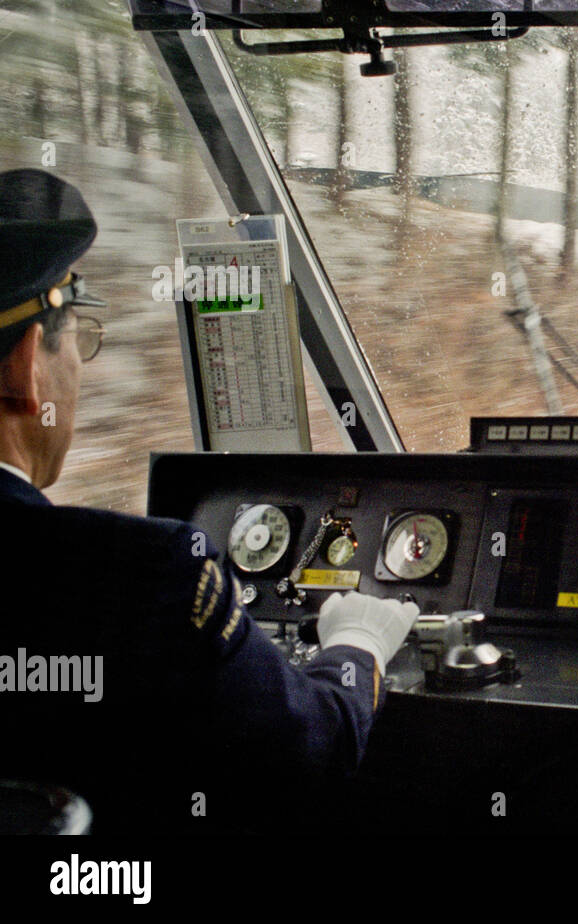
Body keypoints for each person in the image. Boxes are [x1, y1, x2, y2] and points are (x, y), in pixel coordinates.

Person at [0, 168, 417, 833]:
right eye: (77, 339)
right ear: (28, 366)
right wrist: (358, 646)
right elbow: (308, 752)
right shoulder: (141, 574)